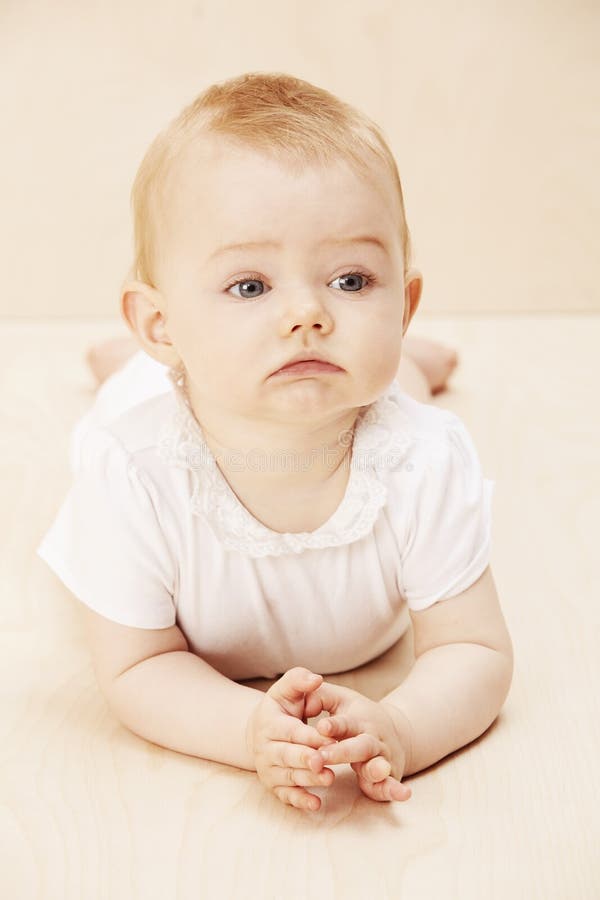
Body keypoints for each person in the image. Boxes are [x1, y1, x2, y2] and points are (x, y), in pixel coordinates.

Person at [36, 71, 513, 814]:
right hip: (166, 404)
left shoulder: (424, 459)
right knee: (122, 392)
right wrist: (245, 728)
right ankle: (122, 360)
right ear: (160, 323)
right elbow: (138, 668)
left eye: (352, 280)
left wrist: (403, 725)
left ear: (404, 303)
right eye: (250, 287)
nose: (308, 314)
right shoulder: (132, 472)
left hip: (369, 394)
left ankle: (409, 362)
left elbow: (474, 650)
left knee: (391, 391)